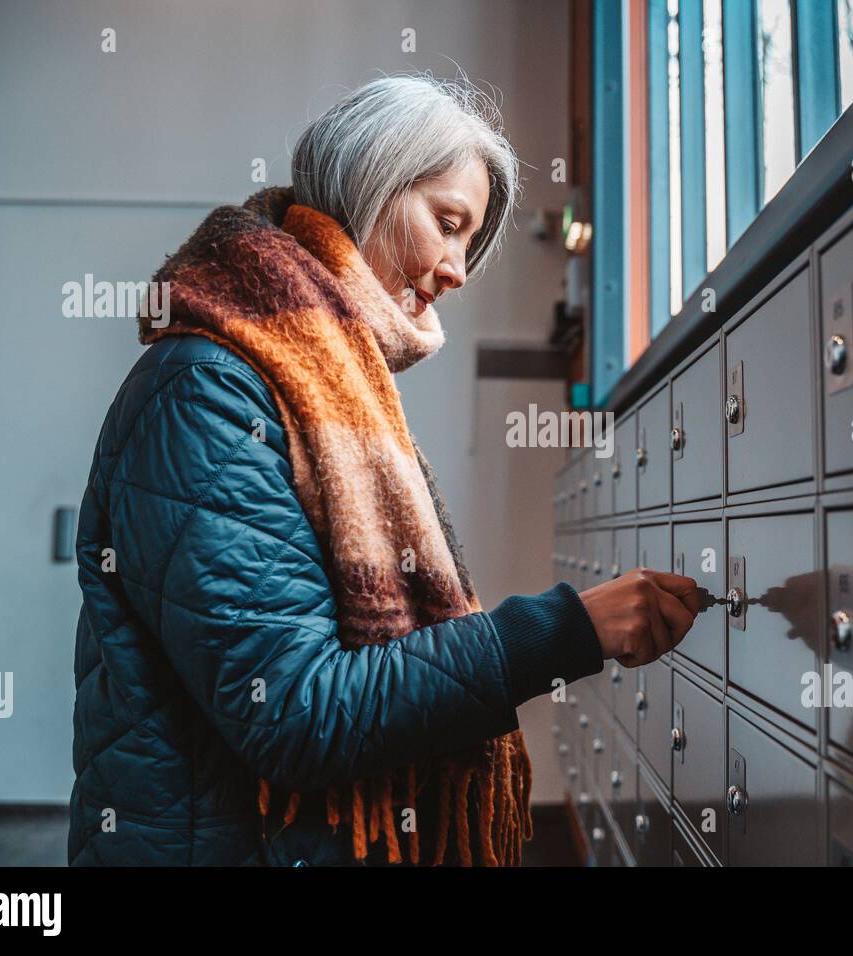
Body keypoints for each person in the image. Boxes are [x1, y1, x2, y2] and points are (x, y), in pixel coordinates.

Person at [69, 73, 700, 867]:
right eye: (447, 222)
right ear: (371, 185)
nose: (456, 271)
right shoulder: (207, 390)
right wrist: (567, 632)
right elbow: (297, 712)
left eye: (469, 242)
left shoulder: (305, 385)